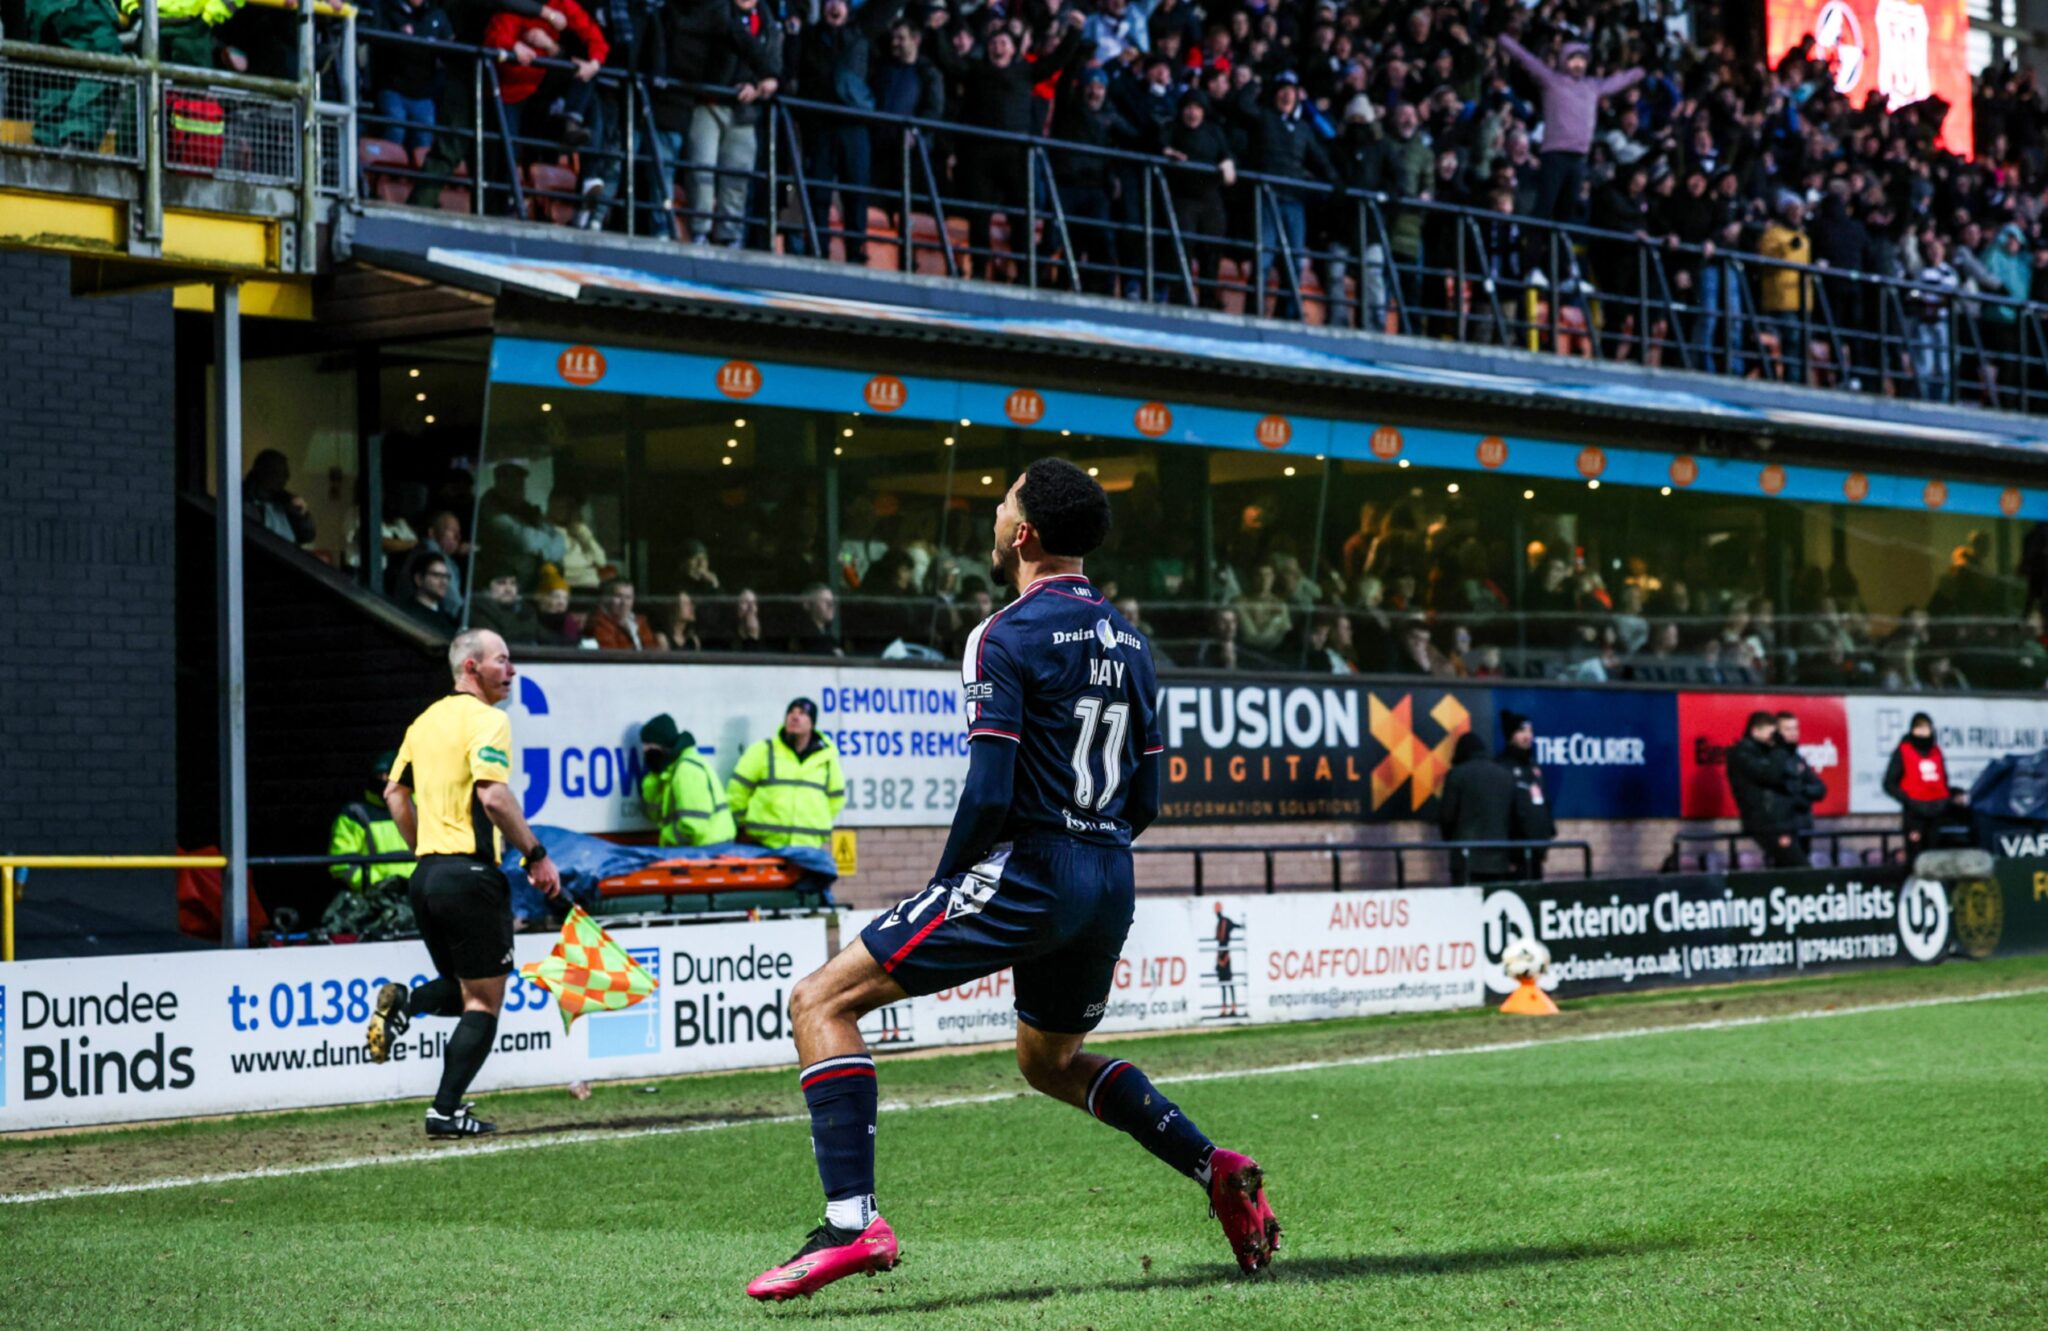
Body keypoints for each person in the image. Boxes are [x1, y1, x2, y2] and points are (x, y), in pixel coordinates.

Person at [747, 460, 1277, 1303]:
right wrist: (1088, 853)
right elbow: (1146, 797)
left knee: (820, 1000)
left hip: (1032, 869)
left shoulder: (1004, 634)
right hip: (1109, 874)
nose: (993, 515)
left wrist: (950, 881)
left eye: (1002, 505)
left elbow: (990, 789)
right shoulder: (1136, 645)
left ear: (1023, 534)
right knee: (1049, 1059)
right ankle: (1216, 1166)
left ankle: (852, 1221)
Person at [364, 629, 563, 1137]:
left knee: (464, 988)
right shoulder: (488, 720)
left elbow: (393, 793)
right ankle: (445, 1111)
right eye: (503, 660)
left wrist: (421, 848)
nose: (512, 670)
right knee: (484, 1001)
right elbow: (494, 797)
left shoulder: (424, 721)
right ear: (471, 667)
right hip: (470, 876)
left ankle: (407, 1005)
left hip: (427, 876)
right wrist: (536, 856)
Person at [1495, 33, 1642, 225]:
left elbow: (1617, 82)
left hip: (1579, 158)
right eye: (1574, 59)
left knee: (1567, 213)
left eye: (1582, 60)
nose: (1578, 64)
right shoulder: (1552, 80)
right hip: (1555, 155)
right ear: (1565, 60)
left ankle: (1560, 253)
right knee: (1545, 209)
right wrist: (1504, 40)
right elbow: (1527, 59)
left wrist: (1640, 71)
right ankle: (1534, 252)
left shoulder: (1591, 86)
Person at [728, 697, 846, 850]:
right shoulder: (764, 750)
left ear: (812, 724)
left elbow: (835, 800)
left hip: (807, 848)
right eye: (791, 712)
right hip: (763, 846)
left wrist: (815, 823)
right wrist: (744, 825)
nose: (794, 717)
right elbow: (737, 791)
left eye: (802, 713)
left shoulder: (827, 759)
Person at [326, 749, 414, 898]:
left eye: (391, 775)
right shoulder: (355, 815)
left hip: (421, 893)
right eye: (380, 775)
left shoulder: (422, 808)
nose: (385, 780)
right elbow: (342, 864)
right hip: (379, 900)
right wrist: (377, 885)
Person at [639, 713, 736, 846]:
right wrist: (654, 775)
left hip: (708, 850)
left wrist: (666, 841)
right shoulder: (670, 770)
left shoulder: (686, 770)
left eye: (650, 747)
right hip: (704, 847)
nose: (646, 752)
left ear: (663, 746)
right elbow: (653, 814)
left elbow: (693, 825)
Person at [1438, 730, 1516, 883]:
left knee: (1465, 906)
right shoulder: (1505, 776)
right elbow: (1514, 819)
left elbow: (1447, 816)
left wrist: (1451, 841)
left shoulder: (1457, 774)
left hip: (1466, 860)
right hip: (1499, 860)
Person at [1884, 711, 1964, 857]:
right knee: (1916, 856)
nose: (1922, 732)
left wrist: (1947, 799)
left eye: (1925, 727)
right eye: (1918, 728)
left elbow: (1942, 781)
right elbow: (1889, 783)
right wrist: (1909, 800)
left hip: (1937, 813)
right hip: (1915, 815)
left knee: (1935, 856)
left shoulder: (1936, 751)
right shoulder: (1903, 751)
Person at [1726, 711, 1801, 868]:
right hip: (1765, 823)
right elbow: (1770, 776)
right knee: (1799, 867)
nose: (1773, 738)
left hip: (1782, 822)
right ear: (1755, 731)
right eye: (1771, 734)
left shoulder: (1768, 752)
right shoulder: (1742, 754)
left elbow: (1792, 779)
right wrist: (1779, 749)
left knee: (1787, 870)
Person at [1496, 711, 1555, 880]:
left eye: (1530, 731)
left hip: (1537, 852)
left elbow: (1543, 801)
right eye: (1522, 731)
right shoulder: (1502, 766)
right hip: (1515, 855)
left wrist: (1549, 830)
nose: (1527, 736)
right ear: (1511, 735)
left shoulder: (1533, 765)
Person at [1772, 710, 1827, 862]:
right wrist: (1801, 793)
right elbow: (1784, 793)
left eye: (1795, 728)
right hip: (1784, 830)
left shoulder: (1797, 758)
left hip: (1804, 827)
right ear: (1777, 731)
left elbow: (1820, 788)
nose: (1793, 733)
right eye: (1788, 729)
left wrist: (1802, 790)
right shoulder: (1774, 758)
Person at [244, 449, 316, 547]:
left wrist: (302, 516)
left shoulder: (286, 501)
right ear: (264, 472)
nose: (286, 478)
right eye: (280, 473)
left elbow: (308, 536)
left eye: (286, 474)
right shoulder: (242, 501)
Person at [468, 562, 541, 645]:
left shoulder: (527, 611)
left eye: (513, 583)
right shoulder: (479, 611)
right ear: (487, 590)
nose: (508, 589)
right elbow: (496, 643)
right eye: (501, 583)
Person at [588, 577, 656, 649]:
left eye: (628, 597)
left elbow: (651, 649)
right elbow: (612, 655)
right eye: (618, 596)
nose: (624, 603)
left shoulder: (639, 621)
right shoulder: (598, 623)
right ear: (606, 598)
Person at [404, 553, 462, 634]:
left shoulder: (449, 620)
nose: (444, 582)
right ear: (419, 579)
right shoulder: (406, 615)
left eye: (446, 577)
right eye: (437, 575)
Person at [1211, 902, 1246, 1018]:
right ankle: (1225, 1008)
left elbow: (1236, 926)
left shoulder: (1225, 922)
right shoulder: (1220, 923)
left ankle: (1233, 1007)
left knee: (1229, 983)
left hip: (1225, 955)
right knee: (1224, 984)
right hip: (1221, 955)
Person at [790, 583, 845, 655]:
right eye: (825, 601)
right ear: (807, 605)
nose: (831, 605)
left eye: (832, 601)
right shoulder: (806, 638)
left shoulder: (827, 636)